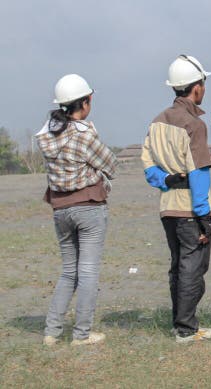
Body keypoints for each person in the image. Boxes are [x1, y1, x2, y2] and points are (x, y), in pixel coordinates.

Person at [141, 55, 211, 343]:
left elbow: (147, 163)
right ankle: (186, 329)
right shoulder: (194, 125)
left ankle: (181, 323)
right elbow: (198, 173)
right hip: (189, 208)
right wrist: (202, 216)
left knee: (178, 265)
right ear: (196, 87)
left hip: (167, 206)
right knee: (193, 267)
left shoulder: (157, 121)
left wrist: (164, 180)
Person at [38, 74, 117, 346]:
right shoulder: (84, 134)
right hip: (88, 208)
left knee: (68, 271)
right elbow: (111, 164)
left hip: (60, 209)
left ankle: (52, 331)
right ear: (85, 102)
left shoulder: (45, 135)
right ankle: (81, 334)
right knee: (88, 272)